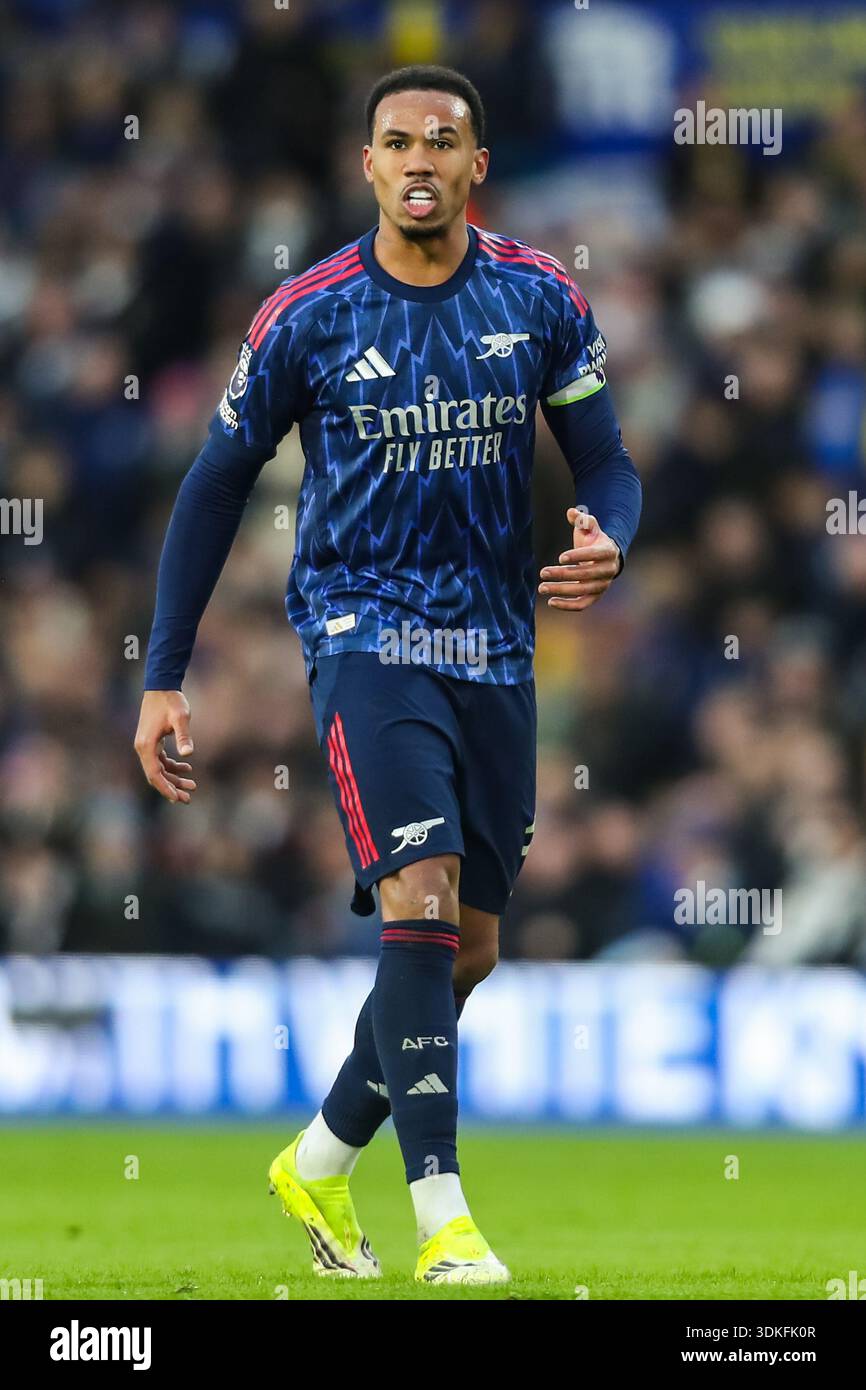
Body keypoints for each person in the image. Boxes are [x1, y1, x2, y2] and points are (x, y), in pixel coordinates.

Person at [134, 63, 641, 1285]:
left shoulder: (537, 297)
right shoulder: (307, 315)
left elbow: (606, 459)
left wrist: (607, 530)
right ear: (365, 166)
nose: (419, 158)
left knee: (464, 948)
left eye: (443, 141)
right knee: (417, 892)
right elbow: (209, 491)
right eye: (396, 141)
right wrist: (162, 674)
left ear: (475, 165)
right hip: (363, 639)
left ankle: (313, 1158)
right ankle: (443, 1221)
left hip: (494, 650)